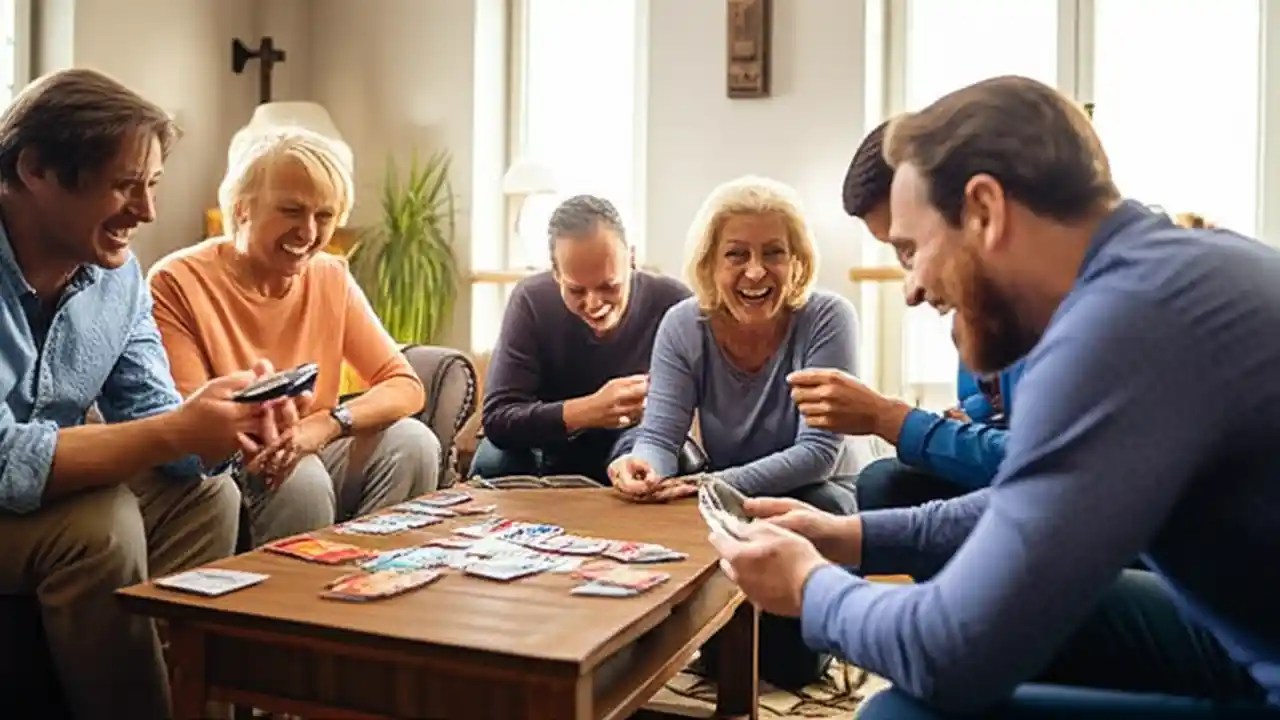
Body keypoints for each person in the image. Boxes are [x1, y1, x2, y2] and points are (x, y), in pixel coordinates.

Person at [710, 75, 1280, 718]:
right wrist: (850, 536)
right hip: (1236, 637)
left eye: (911, 249)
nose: (913, 288)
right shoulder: (1166, 274)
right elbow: (1031, 502)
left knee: (898, 715)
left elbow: (948, 651)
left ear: (984, 211)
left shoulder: (1125, 325)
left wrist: (809, 588)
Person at [0, 68, 308, 720]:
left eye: (153, 185)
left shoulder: (120, 281)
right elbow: (3, 462)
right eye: (124, 185)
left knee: (205, 494)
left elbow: (157, 418)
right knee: (99, 527)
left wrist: (229, 418)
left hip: (35, 497)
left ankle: (191, 703)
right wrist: (175, 432)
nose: (147, 211)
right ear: (34, 170)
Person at [608, 175, 861, 690]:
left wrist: (709, 486)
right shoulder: (683, 325)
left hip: (819, 489)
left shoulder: (829, 317)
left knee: (787, 668)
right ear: (709, 263)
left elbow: (817, 453)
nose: (755, 271)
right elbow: (659, 434)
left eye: (774, 252)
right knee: (720, 662)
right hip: (732, 493)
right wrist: (645, 467)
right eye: (736, 254)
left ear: (797, 262)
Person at [148, 125, 438, 546]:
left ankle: (371, 580)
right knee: (301, 479)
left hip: (312, 439)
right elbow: (196, 425)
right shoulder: (177, 280)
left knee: (414, 443)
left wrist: (326, 424)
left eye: (324, 216)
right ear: (242, 209)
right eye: (291, 211)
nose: (309, 232)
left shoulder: (329, 275)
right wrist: (290, 441)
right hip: (230, 458)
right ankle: (290, 606)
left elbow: (405, 385)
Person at [821, 117, 1026, 510]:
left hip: (1089, 519)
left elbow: (1038, 467)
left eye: (911, 249)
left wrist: (889, 418)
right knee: (886, 482)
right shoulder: (978, 299)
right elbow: (991, 411)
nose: (912, 289)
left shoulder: (1057, 301)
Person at [473, 194, 691, 484]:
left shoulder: (673, 304)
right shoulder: (531, 301)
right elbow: (498, 419)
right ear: (556, 273)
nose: (594, 303)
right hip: (543, 449)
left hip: (638, 444)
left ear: (632, 259)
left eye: (609, 286)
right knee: (492, 461)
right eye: (576, 290)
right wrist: (591, 410)